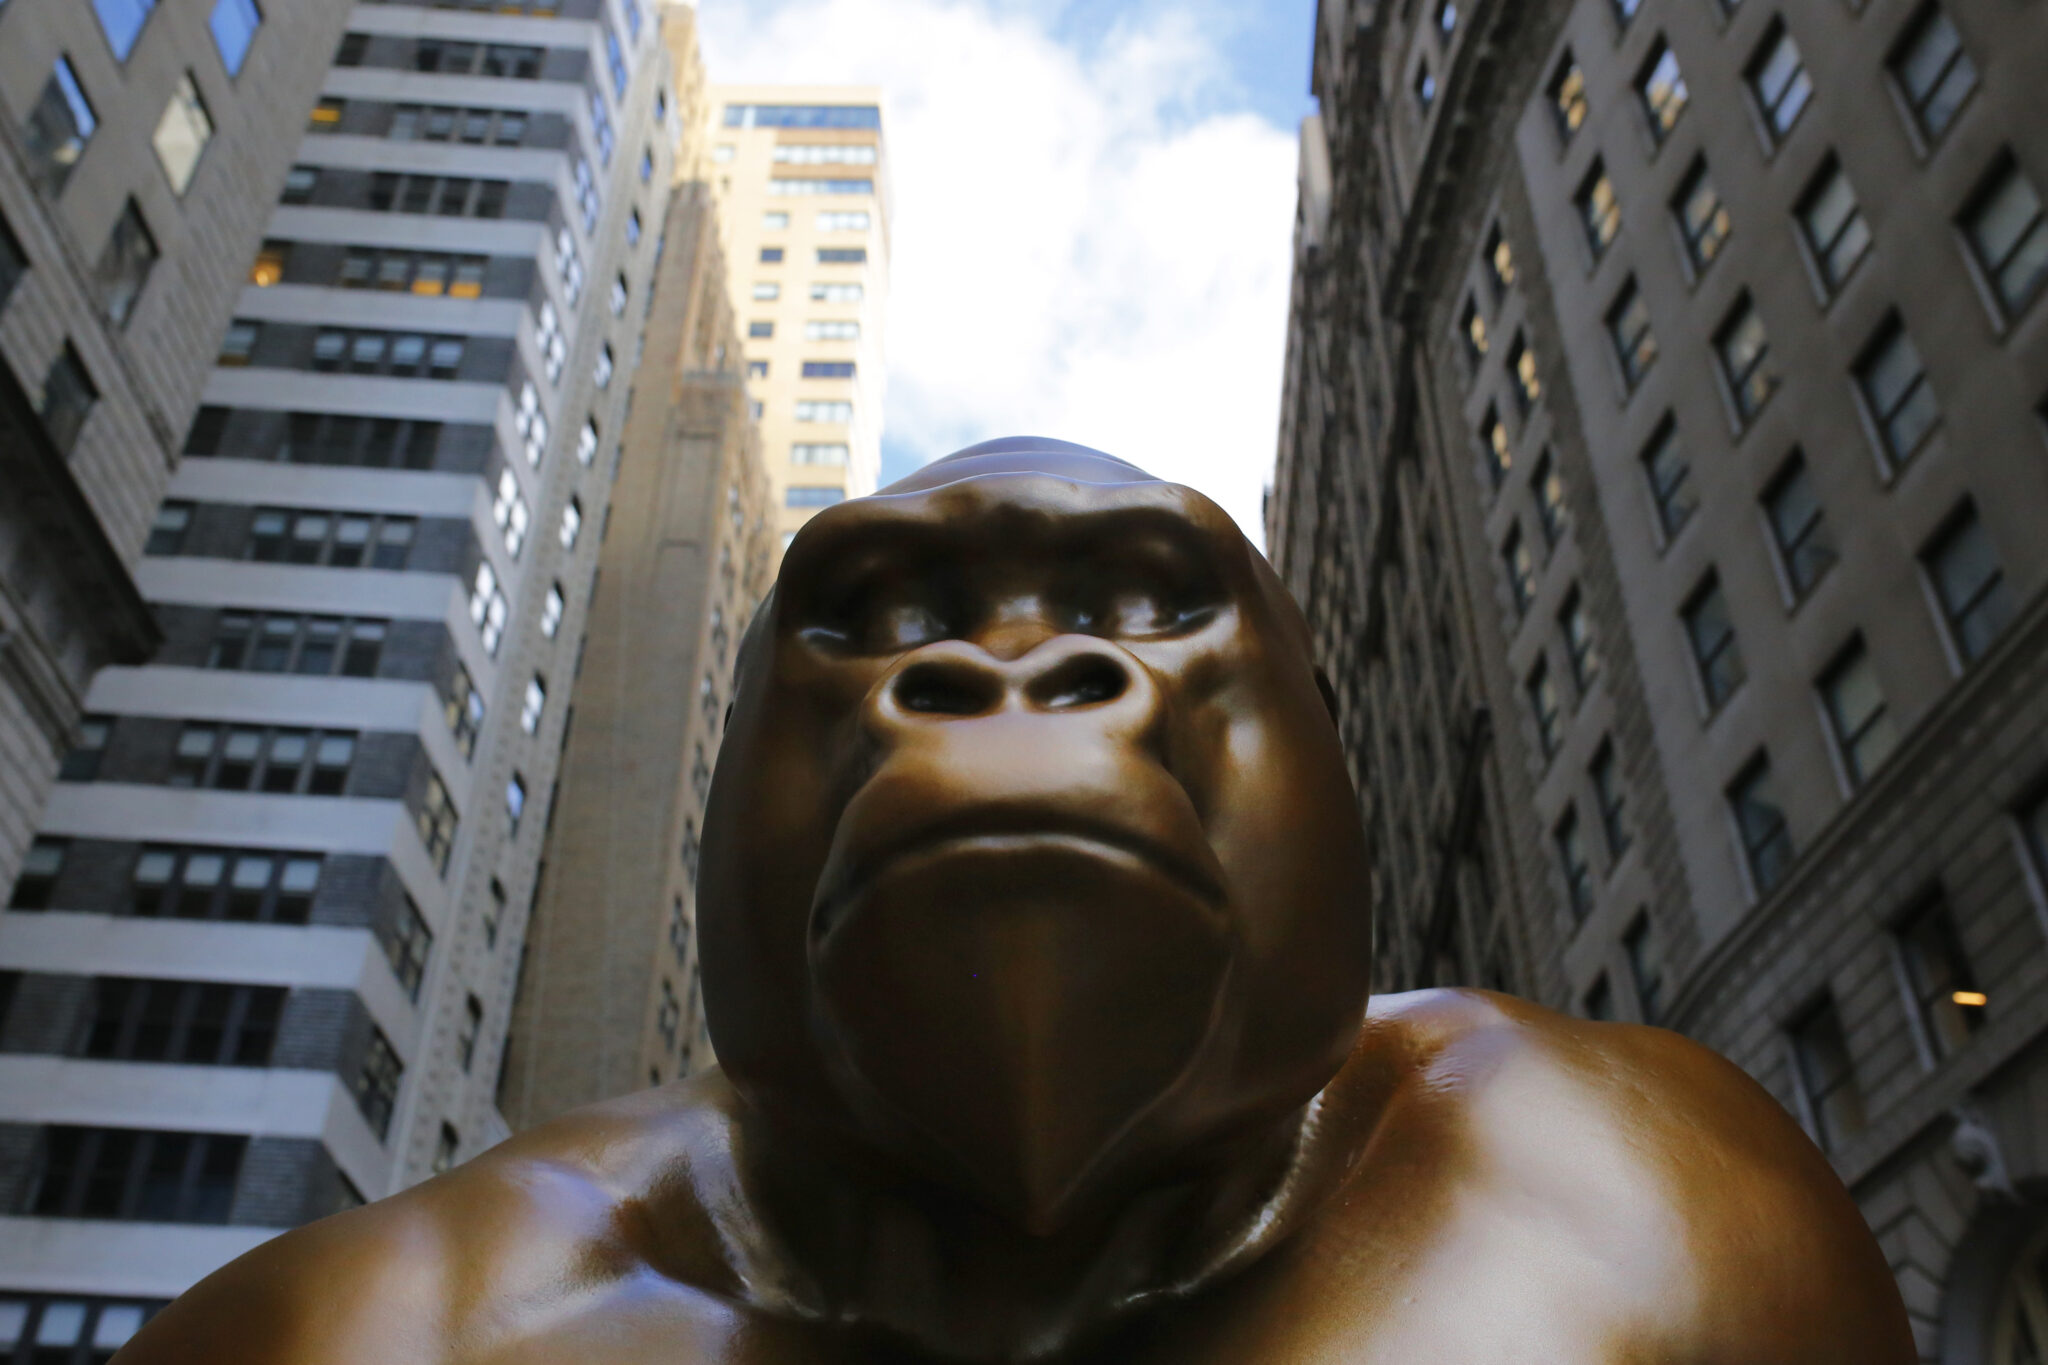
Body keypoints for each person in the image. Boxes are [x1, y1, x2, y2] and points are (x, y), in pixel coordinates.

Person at [117, 439, 1913, 1364]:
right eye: (886, 621)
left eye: (1137, 610)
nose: (1009, 676)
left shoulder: (1655, 1196)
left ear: (1331, 770)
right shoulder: (389, 1327)